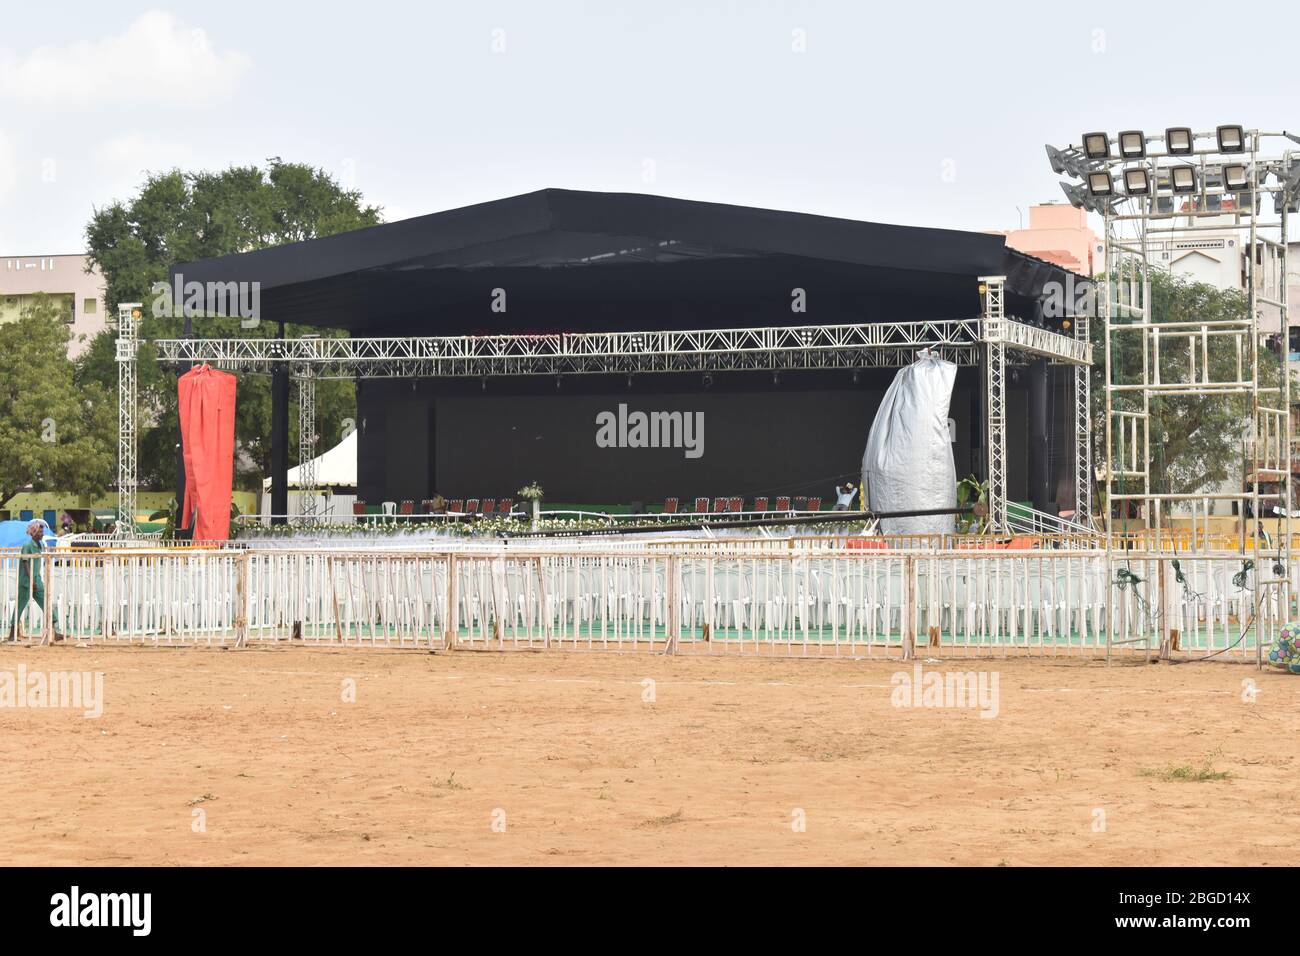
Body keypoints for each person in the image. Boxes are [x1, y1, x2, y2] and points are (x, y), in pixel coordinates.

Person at [10, 520, 60, 642]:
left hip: (37, 580)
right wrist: (31, 579)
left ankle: (54, 631)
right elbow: (26, 563)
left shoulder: (40, 545)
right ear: (33, 533)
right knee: (20, 607)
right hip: (26, 581)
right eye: (39, 532)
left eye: (42, 532)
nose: (42, 534)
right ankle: (12, 633)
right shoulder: (27, 545)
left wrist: (35, 580)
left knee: (46, 603)